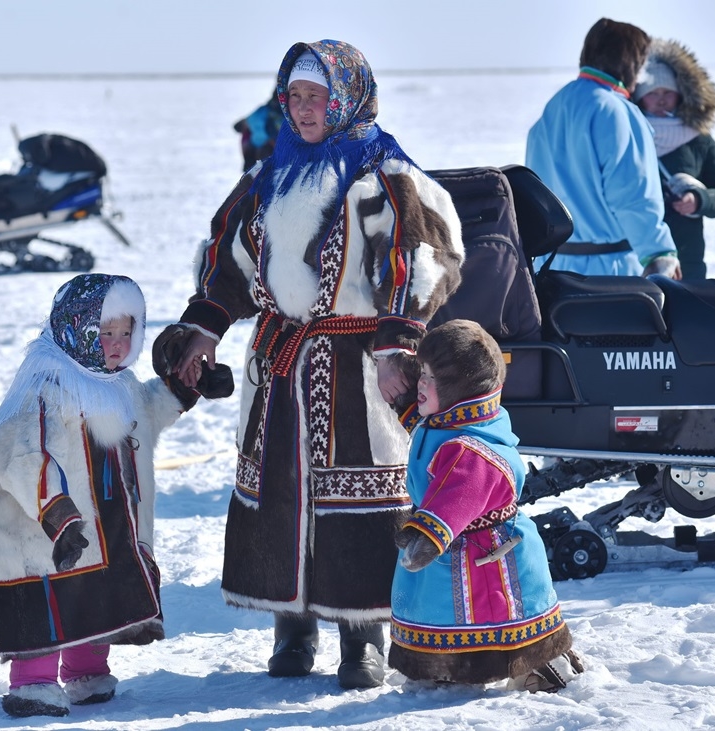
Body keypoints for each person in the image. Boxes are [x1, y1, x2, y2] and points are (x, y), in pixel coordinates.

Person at [153, 39, 464, 690]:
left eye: (316, 96)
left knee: (360, 494)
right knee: (281, 491)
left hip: (359, 363)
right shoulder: (269, 176)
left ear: (346, 98)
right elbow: (228, 261)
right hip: (280, 363)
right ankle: (292, 630)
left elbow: (423, 258)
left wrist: (397, 346)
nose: (302, 108)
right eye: (293, 96)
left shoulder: (384, 177)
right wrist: (203, 329)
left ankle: (362, 637)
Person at [0, 273, 231, 718]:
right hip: (43, 532)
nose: (117, 344)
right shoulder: (45, 387)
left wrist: (185, 386)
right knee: (48, 600)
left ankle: (86, 672)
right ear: (78, 328)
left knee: (97, 595)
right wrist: (57, 514)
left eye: (126, 333)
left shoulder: (119, 384)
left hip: (106, 523)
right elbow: (17, 452)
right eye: (105, 333)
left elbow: (145, 415)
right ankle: (33, 682)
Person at [389, 319, 584, 692]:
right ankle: (445, 668)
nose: (420, 384)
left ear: (460, 391)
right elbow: (428, 432)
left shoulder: (472, 451)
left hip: (485, 554)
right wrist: (404, 403)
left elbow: (457, 496)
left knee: (502, 618)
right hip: (456, 549)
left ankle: (540, 666)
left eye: (430, 378)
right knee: (442, 609)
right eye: (421, 374)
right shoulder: (450, 423)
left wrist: (426, 536)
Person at [525, 18, 682, 279]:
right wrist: (658, 252)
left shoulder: (555, 107)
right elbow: (633, 194)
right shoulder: (616, 111)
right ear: (631, 63)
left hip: (553, 268)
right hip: (609, 271)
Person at [634, 39, 715, 281]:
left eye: (668, 92)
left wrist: (699, 199)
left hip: (688, 264)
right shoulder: (627, 138)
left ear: (681, 94)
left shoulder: (698, 139)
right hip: (638, 262)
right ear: (638, 96)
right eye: (652, 93)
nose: (661, 100)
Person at [233, 86, 284, 172]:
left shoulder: (261, 111)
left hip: (261, 151)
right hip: (268, 150)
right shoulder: (286, 114)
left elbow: (240, 125)